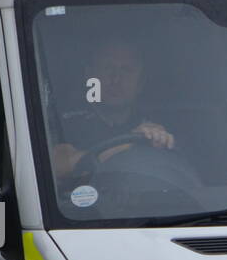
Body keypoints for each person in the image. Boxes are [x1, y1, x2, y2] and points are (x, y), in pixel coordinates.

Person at [51, 38, 182, 184]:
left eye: (127, 70)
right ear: (89, 75)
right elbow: (57, 166)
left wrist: (161, 141)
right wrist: (130, 142)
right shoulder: (65, 122)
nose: (116, 79)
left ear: (141, 82)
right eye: (107, 68)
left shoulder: (158, 123)